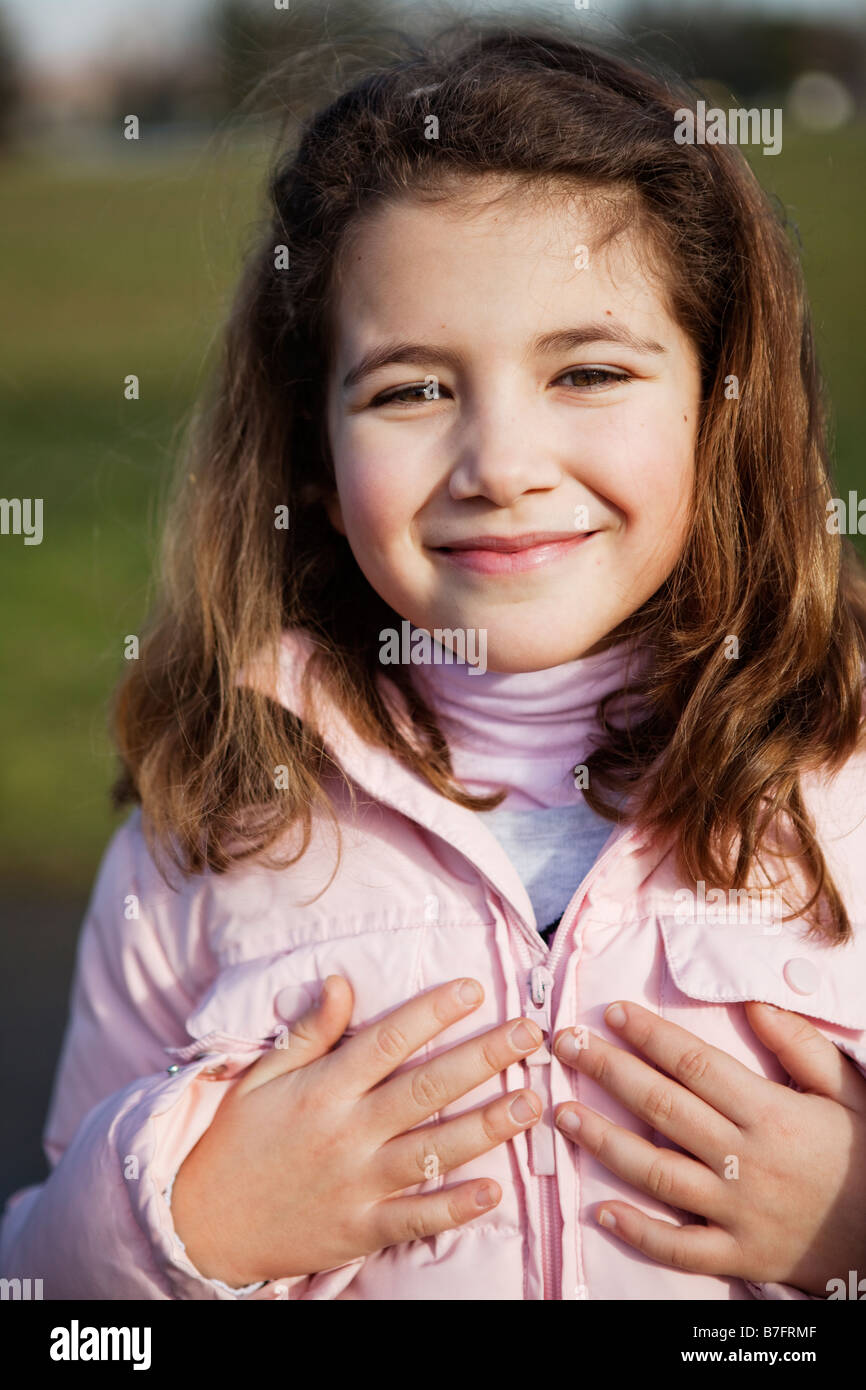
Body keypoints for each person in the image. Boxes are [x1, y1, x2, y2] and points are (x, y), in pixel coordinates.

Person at [3, 26, 866, 1301]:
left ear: (718, 404)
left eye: (587, 370)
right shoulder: (210, 819)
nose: (500, 464)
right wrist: (182, 1223)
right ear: (312, 449)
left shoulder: (846, 780)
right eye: (410, 391)